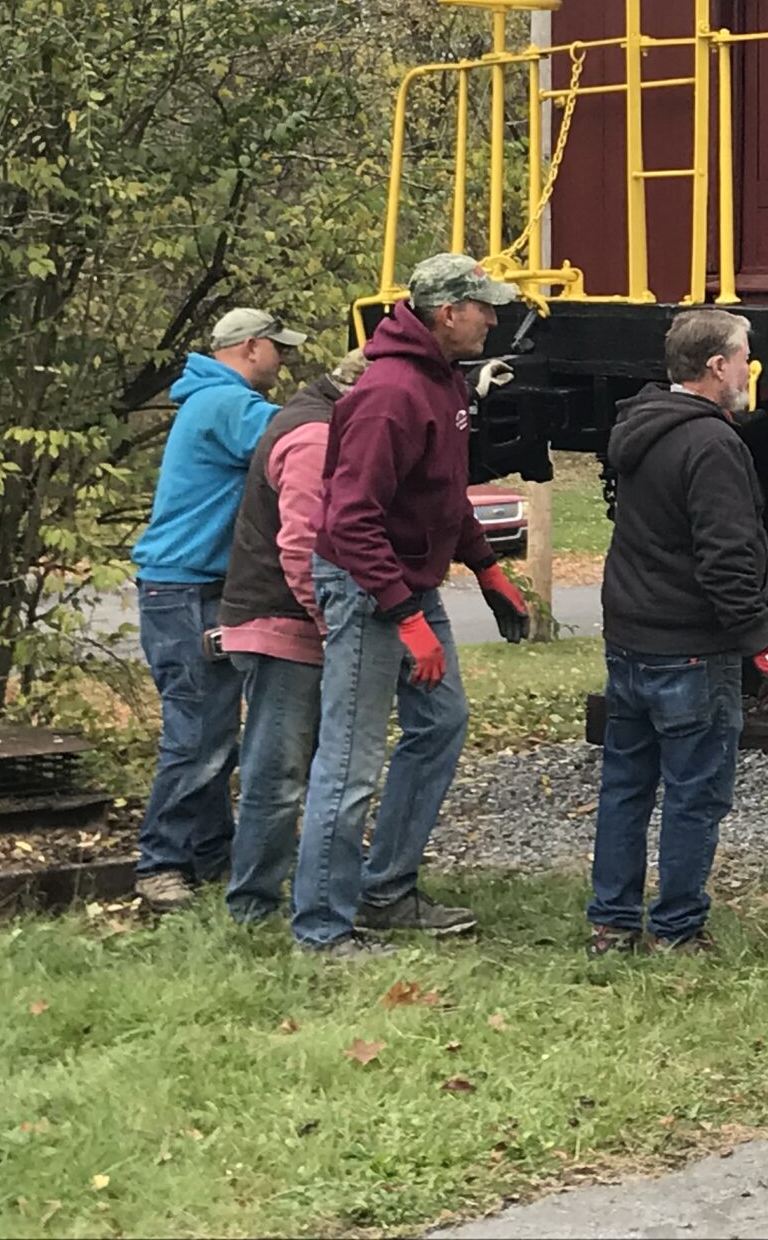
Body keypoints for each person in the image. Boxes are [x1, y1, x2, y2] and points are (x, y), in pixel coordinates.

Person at [292, 254, 529, 957]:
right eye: (483, 306)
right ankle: (322, 931)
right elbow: (349, 522)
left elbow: (444, 494)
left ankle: (386, 891)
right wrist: (404, 618)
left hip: (406, 585)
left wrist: (488, 570)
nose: (493, 317)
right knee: (351, 759)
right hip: (367, 589)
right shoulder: (391, 393)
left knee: (441, 722)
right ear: (446, 313)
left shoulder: (443, 380)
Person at [587, 308, 768, 957]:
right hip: (692, 650)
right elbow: (726, 557)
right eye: (742, 358)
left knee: (625, 785)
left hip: (630, 639)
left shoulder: (641, 428)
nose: (747, 369)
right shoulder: (712, 447)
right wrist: (761, 640)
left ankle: (612, 925)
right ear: (715, 367)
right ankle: (677, 930)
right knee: (694, 793)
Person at [128, 307, 307, 915]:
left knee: (212, 729)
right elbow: (299, 440)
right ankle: (160, 864)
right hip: (188, 592)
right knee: (197, 734)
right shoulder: (228, 405)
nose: (282, 361)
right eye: (277, 349)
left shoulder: (207, 397)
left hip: (184, 589)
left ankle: (210, 856)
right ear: (251, 347)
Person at [215, 345, 367, 925]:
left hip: (284, 621)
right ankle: (251, 903)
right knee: (275, 775)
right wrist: (333, 625)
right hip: (281, 625)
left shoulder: (308, 418)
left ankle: (272, 891)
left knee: (294, 769)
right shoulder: (314, 439)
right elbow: (301, 548)